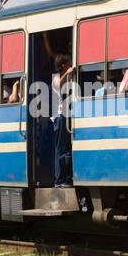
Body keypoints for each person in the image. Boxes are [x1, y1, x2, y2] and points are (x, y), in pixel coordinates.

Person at [50, 55, 74, 187]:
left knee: (66, 149)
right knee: (61, 149)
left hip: (66, 115)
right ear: (64, 65)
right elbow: (59, 84)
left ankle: (66, 177)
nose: (70, 65)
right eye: (68, 63)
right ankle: (59, 180)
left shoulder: (66, 78)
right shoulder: (56, 77)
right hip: (60, 116)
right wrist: (68, 73)